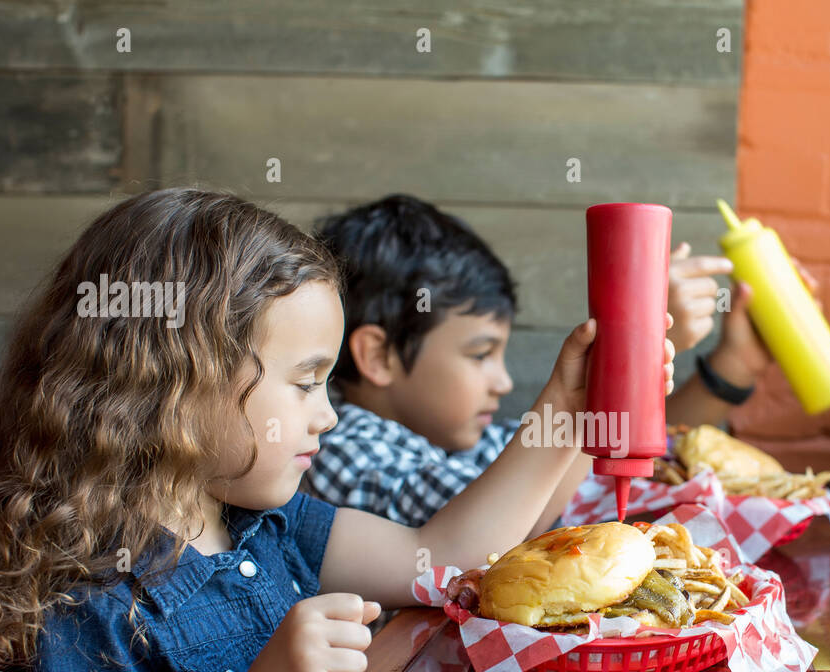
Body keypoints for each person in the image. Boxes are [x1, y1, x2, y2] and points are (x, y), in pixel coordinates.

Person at [0, 188, 673, 672]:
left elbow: (443, 557)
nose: (328, 413)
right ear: (177, 384)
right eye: (305, 381)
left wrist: (569, 411)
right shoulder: (85, 595)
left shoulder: (267, 521)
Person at [305, 195, 780, 526]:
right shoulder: (344, 453)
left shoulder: (474, 442)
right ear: (378, 355)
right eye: (480, 354)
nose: (504, 381)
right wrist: (627, 342)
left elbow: (607, 459)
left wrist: (727, 371)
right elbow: (500, 539)